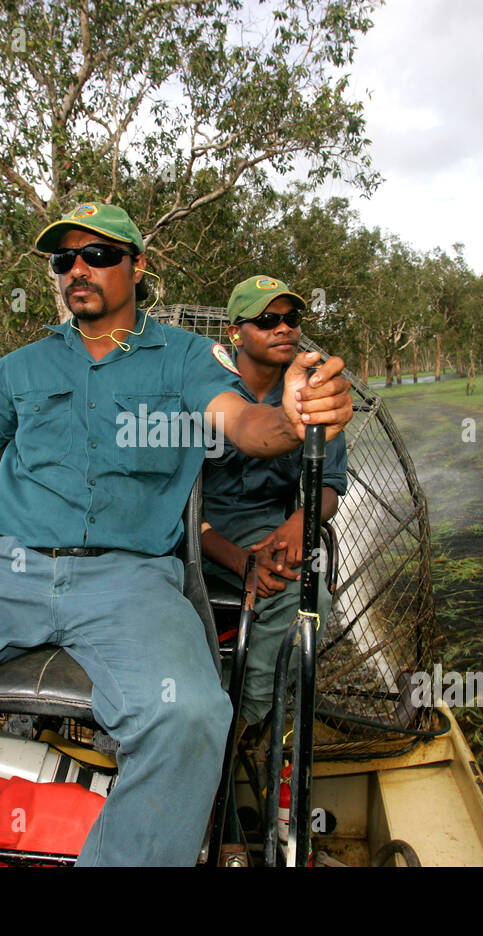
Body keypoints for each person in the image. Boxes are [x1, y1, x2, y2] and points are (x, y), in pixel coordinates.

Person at [0, 203, 353, 867]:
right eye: (63, 259)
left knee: (190, 715)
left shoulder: (188, 357)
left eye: (98, 255)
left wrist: (296, 418)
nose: (78, 269)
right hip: (0, 568)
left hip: (131, 578)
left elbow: (246, 425)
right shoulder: (20, 368)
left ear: (137, 267)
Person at [201, 277, 347, 728]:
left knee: (308, 599)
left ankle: (243, 718)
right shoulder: (203, 389)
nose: (283, 329)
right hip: (196, 534)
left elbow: (329, 486)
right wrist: (241, 561)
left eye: (291, 320)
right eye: (267, 320)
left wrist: (297, 526)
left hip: (271, 530)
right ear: (235, 333)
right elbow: (169, 500)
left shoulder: (313, 393)